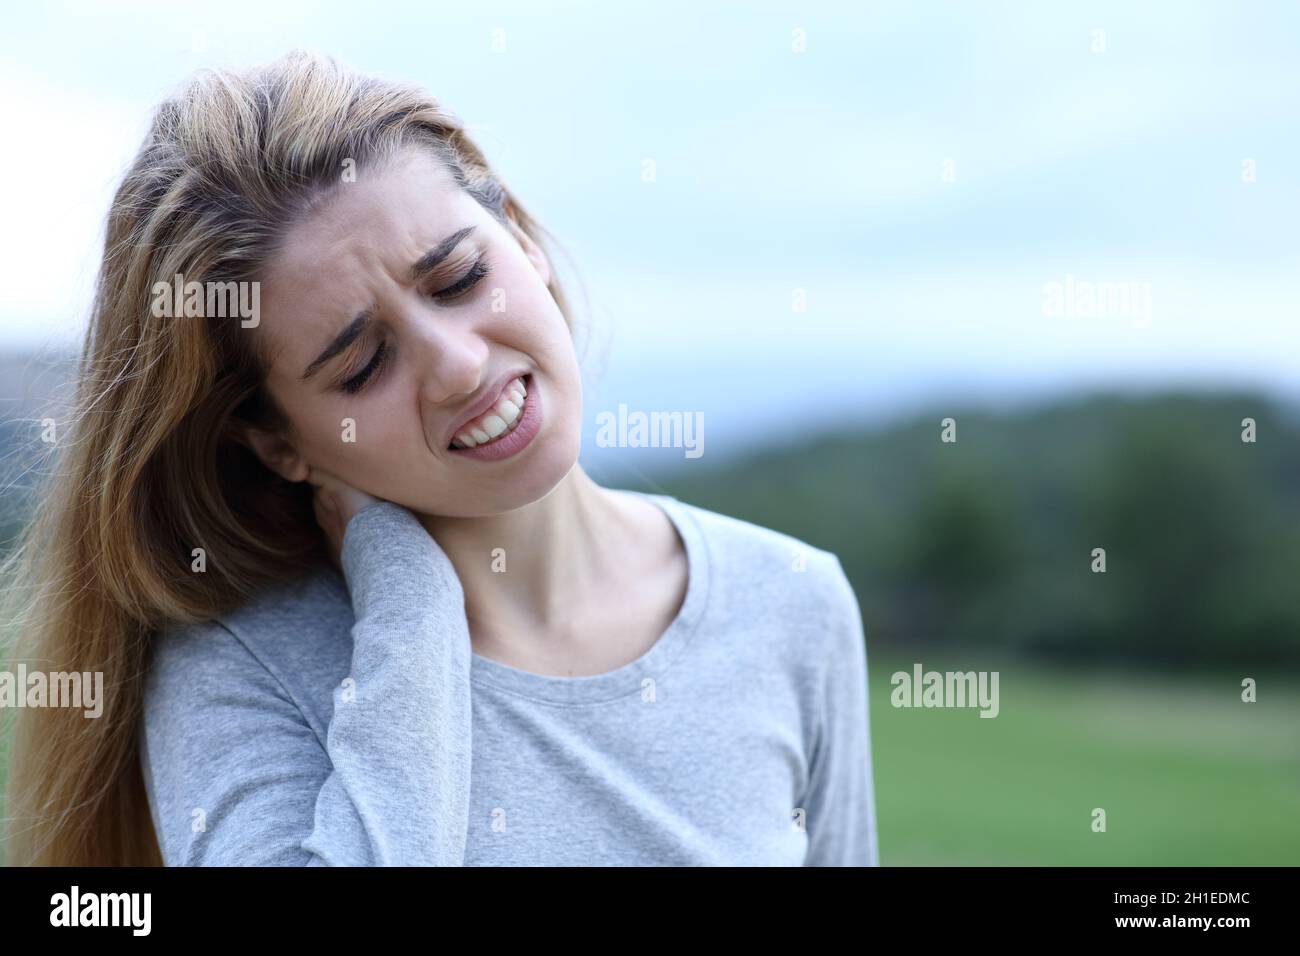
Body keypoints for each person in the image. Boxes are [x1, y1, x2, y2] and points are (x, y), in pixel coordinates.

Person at [1, 50, 877, 866]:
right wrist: (412, 610)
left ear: (522, 240)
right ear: (277, 443)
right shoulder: (244, 668)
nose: (459, 366)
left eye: (459, 279)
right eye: (363, 363)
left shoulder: (793, 604)